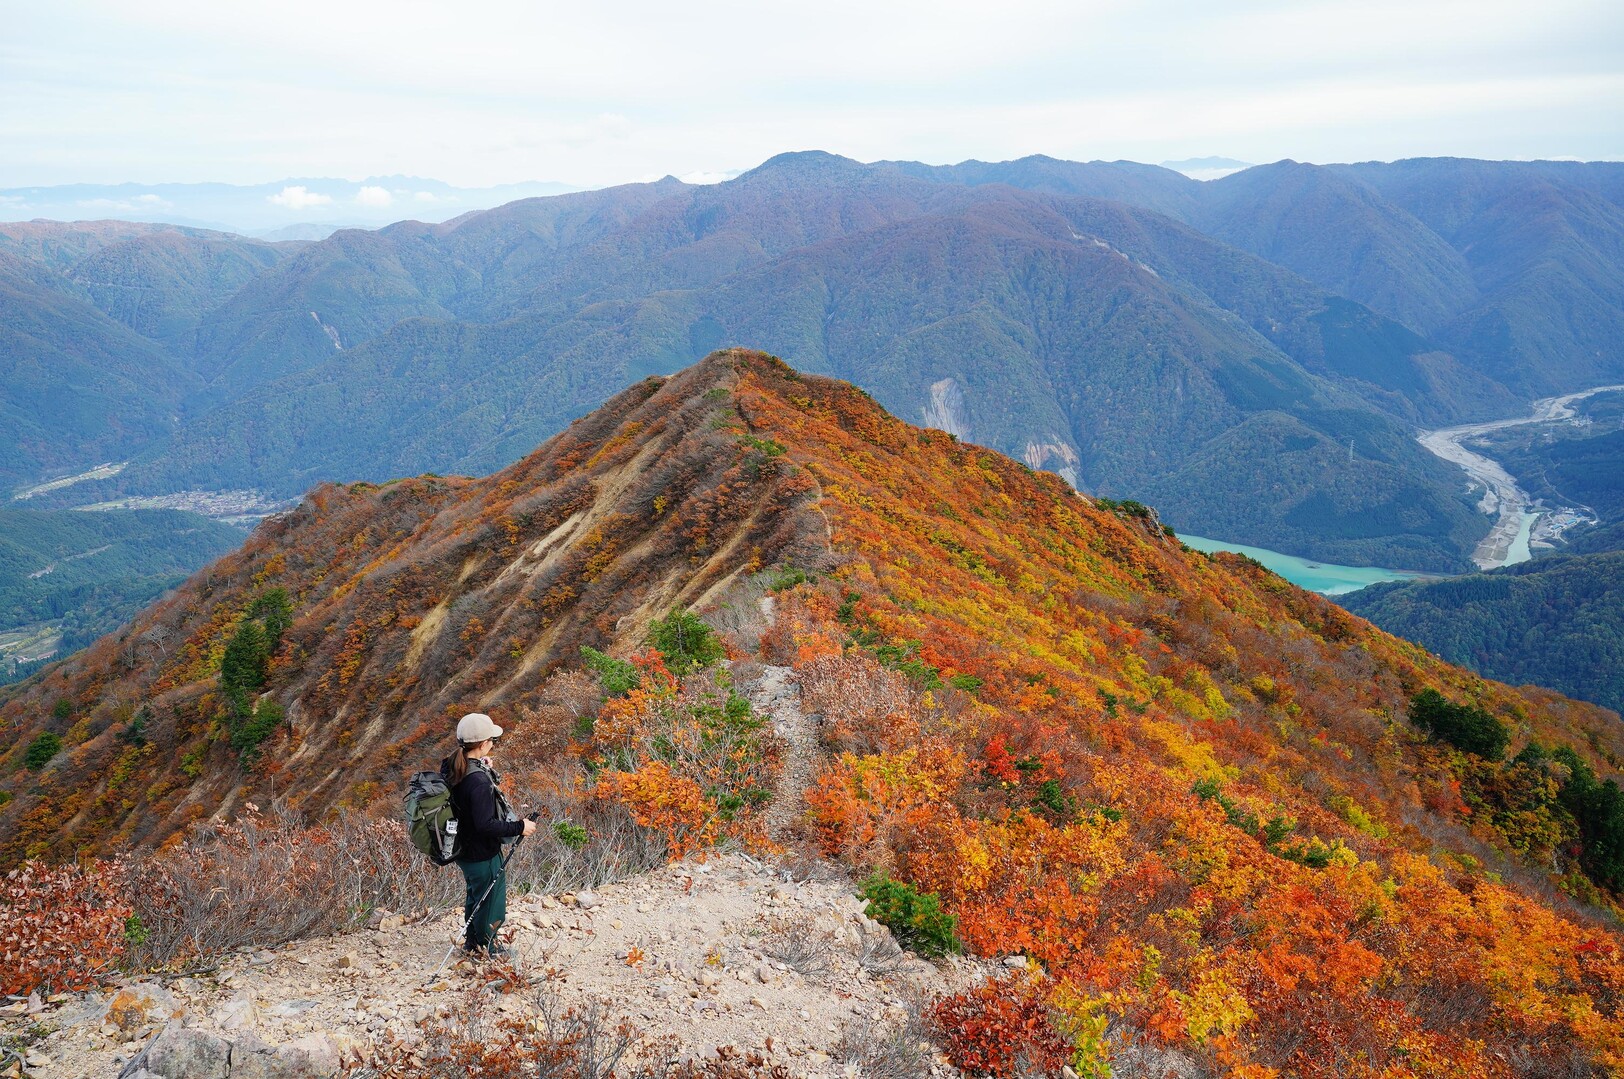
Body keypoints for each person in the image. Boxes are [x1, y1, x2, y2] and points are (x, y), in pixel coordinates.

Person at [440, 712, 536, 956]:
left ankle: (473, 943)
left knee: (475, 895)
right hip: (481, 852)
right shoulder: (478, 782)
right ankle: (486, 948)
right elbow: (485, 824)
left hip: (462, 848)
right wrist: (520, 827)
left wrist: (482, 766)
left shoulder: (453, 766)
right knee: (490, 901)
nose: (494, 743)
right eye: (492, 739)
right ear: (483, 744)